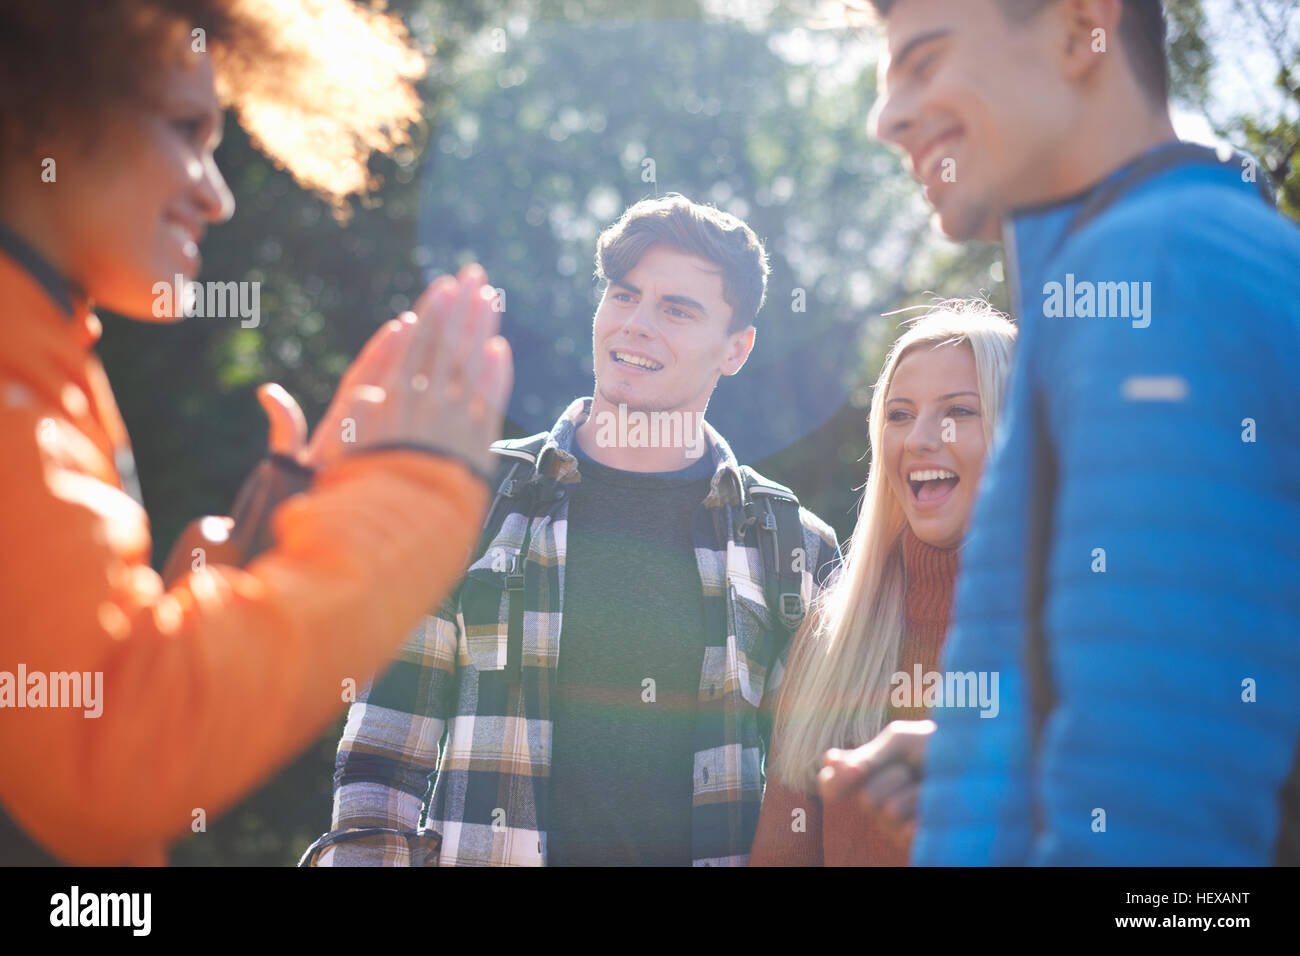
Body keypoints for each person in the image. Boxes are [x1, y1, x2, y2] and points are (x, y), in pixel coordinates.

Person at [0, 0, 512, 866]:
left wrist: (246, 578)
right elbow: (109, 758)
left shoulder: (46, 349)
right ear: (40, 98)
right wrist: (407, 495)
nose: (218, 192)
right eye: (186, 129)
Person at [822, 0, 1300, 864]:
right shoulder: (1156, 259)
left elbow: (1164, 838)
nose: (887, 117)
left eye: (924, 61)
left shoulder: (1159, 271)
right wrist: (986, 758)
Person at [309, 194, 841, 866]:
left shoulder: (796, 545)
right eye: (623, 296)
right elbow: (383, 756)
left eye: (677, 309)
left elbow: (813, 792)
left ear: (736, 349)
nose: (636, 325)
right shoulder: (472, 498)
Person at [750, 302, 1016, 865]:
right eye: (899, 414)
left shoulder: (1081, 633)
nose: (918, 439)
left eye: (958, 412)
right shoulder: (830, 635)